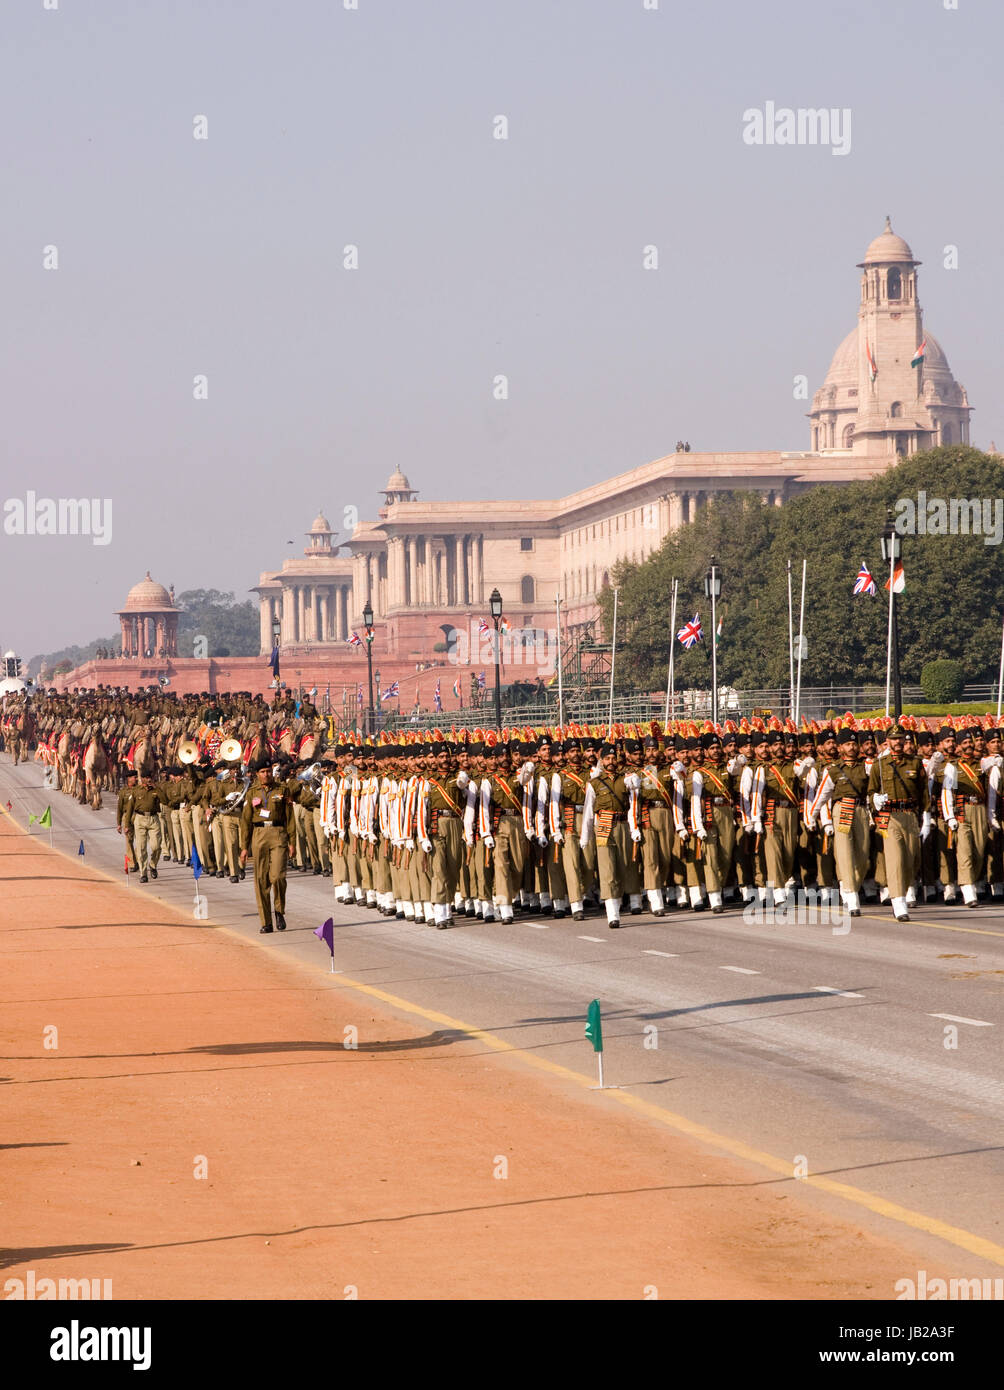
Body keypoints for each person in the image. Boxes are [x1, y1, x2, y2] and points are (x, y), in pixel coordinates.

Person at [239, 763, 295, 933]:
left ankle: (279, 910)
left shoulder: (282, 790)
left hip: (278, 833)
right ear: (257, 774)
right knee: (261, 879)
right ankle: (266, 921)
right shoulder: (251, 792)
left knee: (278, 876)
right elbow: (245, 821)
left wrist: (292, 842)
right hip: (259, 834)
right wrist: (244, 847)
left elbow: (290, 817)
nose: (266, 774)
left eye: (268, 771)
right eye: (262, 772)